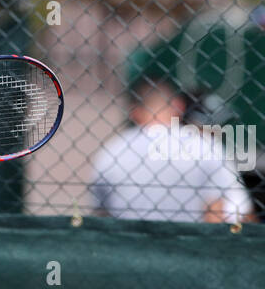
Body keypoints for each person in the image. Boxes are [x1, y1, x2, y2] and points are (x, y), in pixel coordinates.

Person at [91, 76, 255, 224]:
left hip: (127, 248)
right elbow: (229, 212)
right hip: (187, 249)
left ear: (134, 113)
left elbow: (101, 214)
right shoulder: (203, 146)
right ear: (178, 106)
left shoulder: (112, 151)